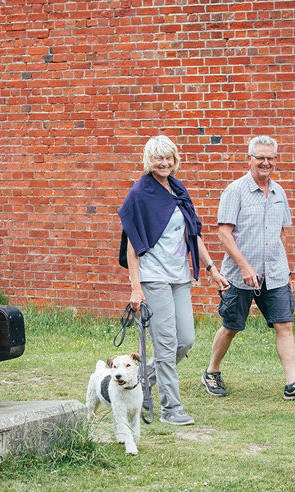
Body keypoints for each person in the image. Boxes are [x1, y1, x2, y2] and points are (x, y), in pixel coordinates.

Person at [200, 135, 295, 401]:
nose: (266, 162)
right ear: (250, 159)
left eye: (270, 158)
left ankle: (293, 384)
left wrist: (286, 270)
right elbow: (224, 234)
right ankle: (212, 372)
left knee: (285, 325)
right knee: (232, 326)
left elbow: (283, 234)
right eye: (260, 157)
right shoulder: (235, 191)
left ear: (275, 161)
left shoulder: (279, 192)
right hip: (240, 276)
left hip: (275, 274)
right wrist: (244, 266)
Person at [119, 135, 230, 426]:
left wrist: (212, 270)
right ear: (149, 160)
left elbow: (193, 235)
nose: (164, 162)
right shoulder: (140, 194)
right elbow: (132, 247)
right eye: (158, 158)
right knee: (166, 346)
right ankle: (171, 408)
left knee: (185, 340)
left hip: (180, 277)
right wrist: (135, 288)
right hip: (153, 278)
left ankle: (137, 382)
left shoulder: (178, 190)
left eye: (168, 157)